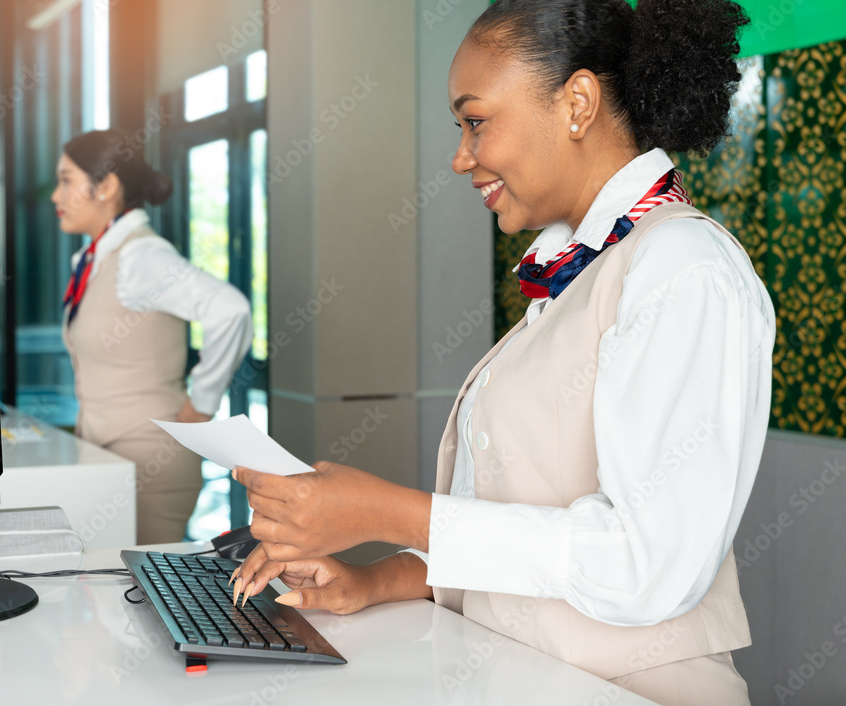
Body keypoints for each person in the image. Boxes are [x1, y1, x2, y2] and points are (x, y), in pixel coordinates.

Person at [230, 1, 774, 703]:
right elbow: (513, 527)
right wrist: (375, 579)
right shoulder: (573, 271)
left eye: (476, 122)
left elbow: (646, 565)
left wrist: (387, 511)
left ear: (577, 102)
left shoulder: (683, 269)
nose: (461, 158)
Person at [53, 129, 252, 544]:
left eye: (66, 180)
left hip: (151, 471)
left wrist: (201, 405)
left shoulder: (141, 257)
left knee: (140, 603)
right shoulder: (93, 260)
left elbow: (230, 310)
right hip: (109, 464)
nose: (56, 196)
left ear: (105, 186)